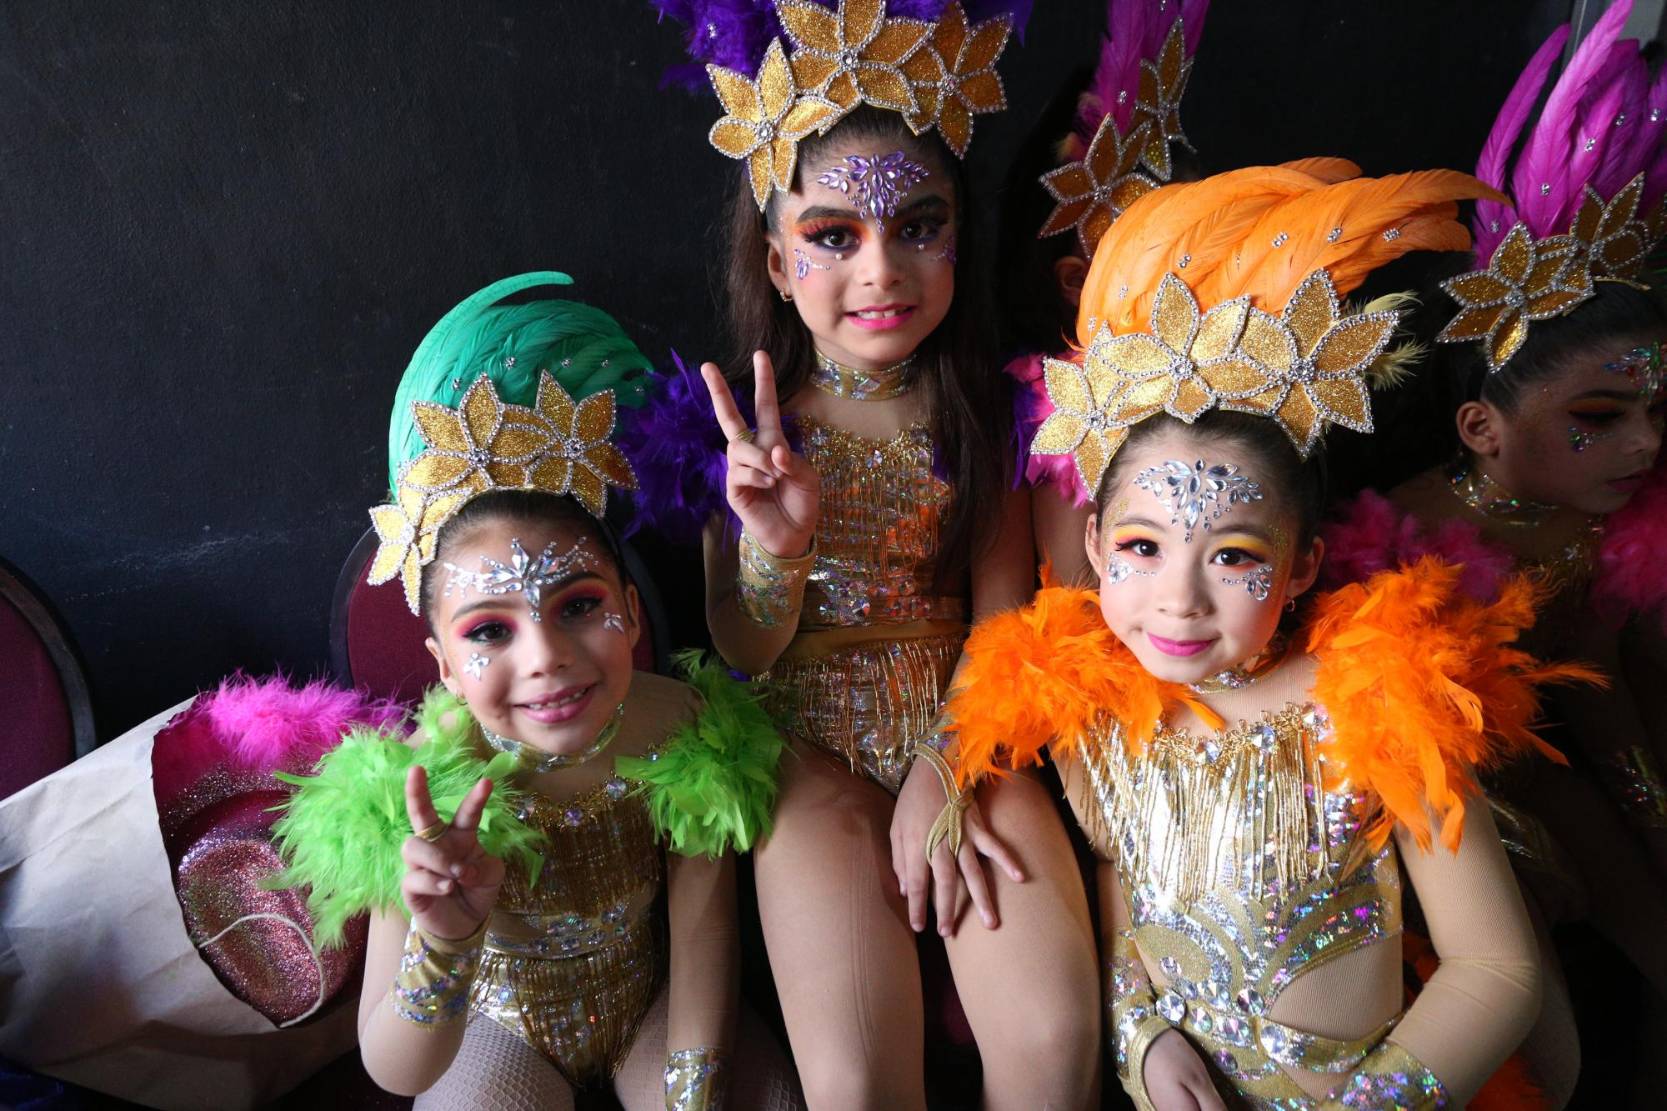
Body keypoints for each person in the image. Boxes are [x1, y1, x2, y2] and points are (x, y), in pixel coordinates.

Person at [944, 162, 1581, 1108]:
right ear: (1090, 542)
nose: (1179, 600)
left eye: (1233, 555)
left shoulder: (1374, 706)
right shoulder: (1101, 717)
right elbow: (1123, 895)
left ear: (1304, 566)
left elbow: (1494, 968)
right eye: (1141, 546)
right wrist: (1143, 1036)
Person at [648, 3, 1101, 1106]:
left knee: (1052, 1038)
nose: (880, 269)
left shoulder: (987, 411)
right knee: (855, 1083)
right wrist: (778, 547)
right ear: (775, 253)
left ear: (959, 234)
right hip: (807, 753)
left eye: (918, 225)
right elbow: (742, 652)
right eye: (834, 236)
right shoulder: (748, 433)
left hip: (963, 725)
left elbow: (1003, 613)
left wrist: (949, 766)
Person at [273, 273, 797, 1110]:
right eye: (489, 630)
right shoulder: (419, 795)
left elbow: (705, 945)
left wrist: (690, 1094)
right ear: (441, 664)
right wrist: (444, 939)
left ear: (630, 611)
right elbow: (396, 1069)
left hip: (649, 1009)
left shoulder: (686, 731)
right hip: (494, 1028)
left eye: (579, 606)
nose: (547, 657)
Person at [1322, 10, 1667, 1102]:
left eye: (1654, 411)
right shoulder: (1403, 546)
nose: (1644, 444)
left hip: (1570, 764)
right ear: (1479, 431)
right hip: (1435, 814)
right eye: (1599, 416)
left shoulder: (1603, 522)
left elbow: (1609, 695)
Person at [1001, 0, 1211, 585]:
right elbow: (1080, 599)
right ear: (1076, 283)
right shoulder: (1066, 415)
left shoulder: (1228, 369)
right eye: (1179, 258)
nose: (1208, 273)